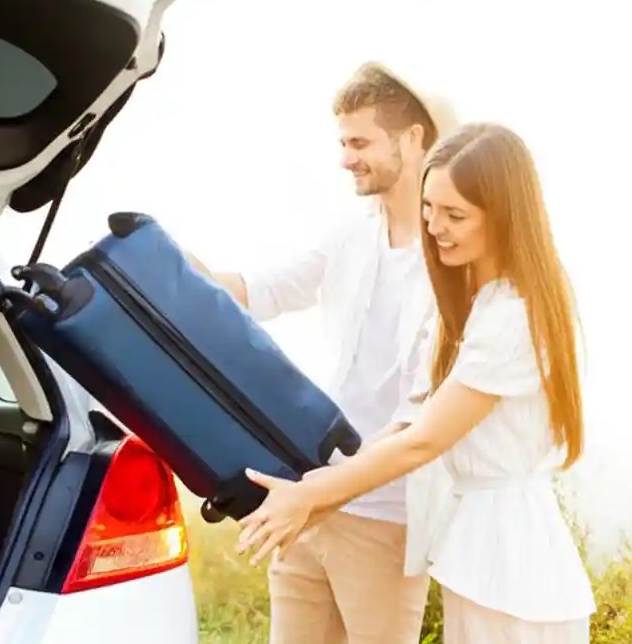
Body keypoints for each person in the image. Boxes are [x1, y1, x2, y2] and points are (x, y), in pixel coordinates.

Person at [235, 122, 597, 643]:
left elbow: (425, 440)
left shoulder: (514, 315)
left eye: (455, 215)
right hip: (480, 551)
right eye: (429, 208)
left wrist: (312, 494)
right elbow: (408, 423)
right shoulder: (474, 304)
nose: (435, 227)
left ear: (504, 216)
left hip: (517, 563)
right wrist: (312, 499)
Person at [186, 62, 458, 644]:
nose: (345, 158)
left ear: (412, 141)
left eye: (359, 142)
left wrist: (320, 492)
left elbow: (423, 424)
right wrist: (171, 267)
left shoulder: (450, 267)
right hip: (305, 502)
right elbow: (263, 290)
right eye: (342, 143)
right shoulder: (351, 232)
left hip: (386, 518)